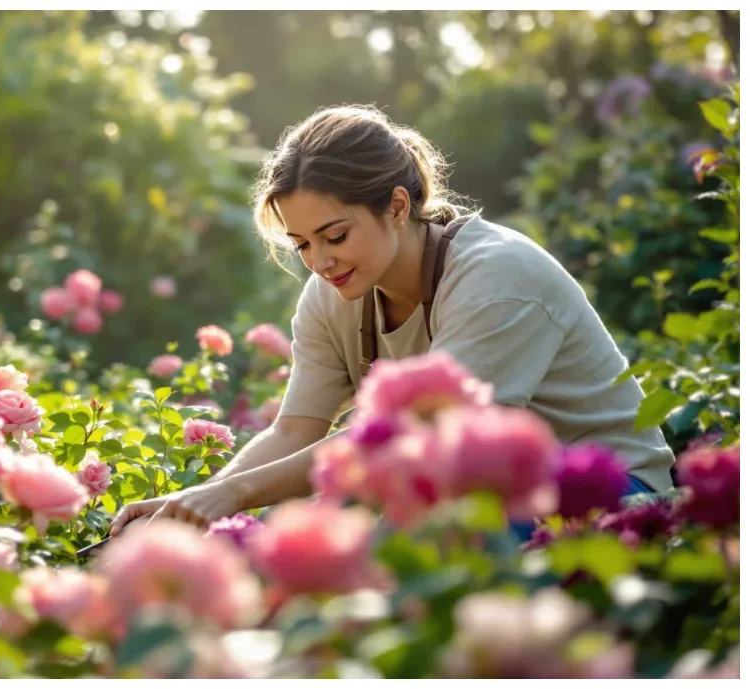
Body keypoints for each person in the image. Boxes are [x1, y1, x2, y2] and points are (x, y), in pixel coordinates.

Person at [110, 104, 675, 535]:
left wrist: (236, 497)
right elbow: (293, 431)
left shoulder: (498, 278)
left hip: (614, 497)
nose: (320, 261)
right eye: (302, 243)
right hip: (472, 493)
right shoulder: (332, 294)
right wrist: (188, 509)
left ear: (398, 206)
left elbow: (433, 438)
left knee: (377, 570)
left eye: (335, 235)